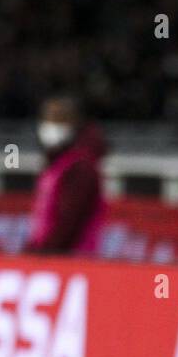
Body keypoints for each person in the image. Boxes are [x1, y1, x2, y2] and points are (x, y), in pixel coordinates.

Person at [25, 95, 106, 255]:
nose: (50, 125)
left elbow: (68, 221)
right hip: (52, 255)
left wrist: (43, 252)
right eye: (47, 118)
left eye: (58, 119)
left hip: (70, 259)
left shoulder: (80, 167)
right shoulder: (56, 163)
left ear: (74, 123)